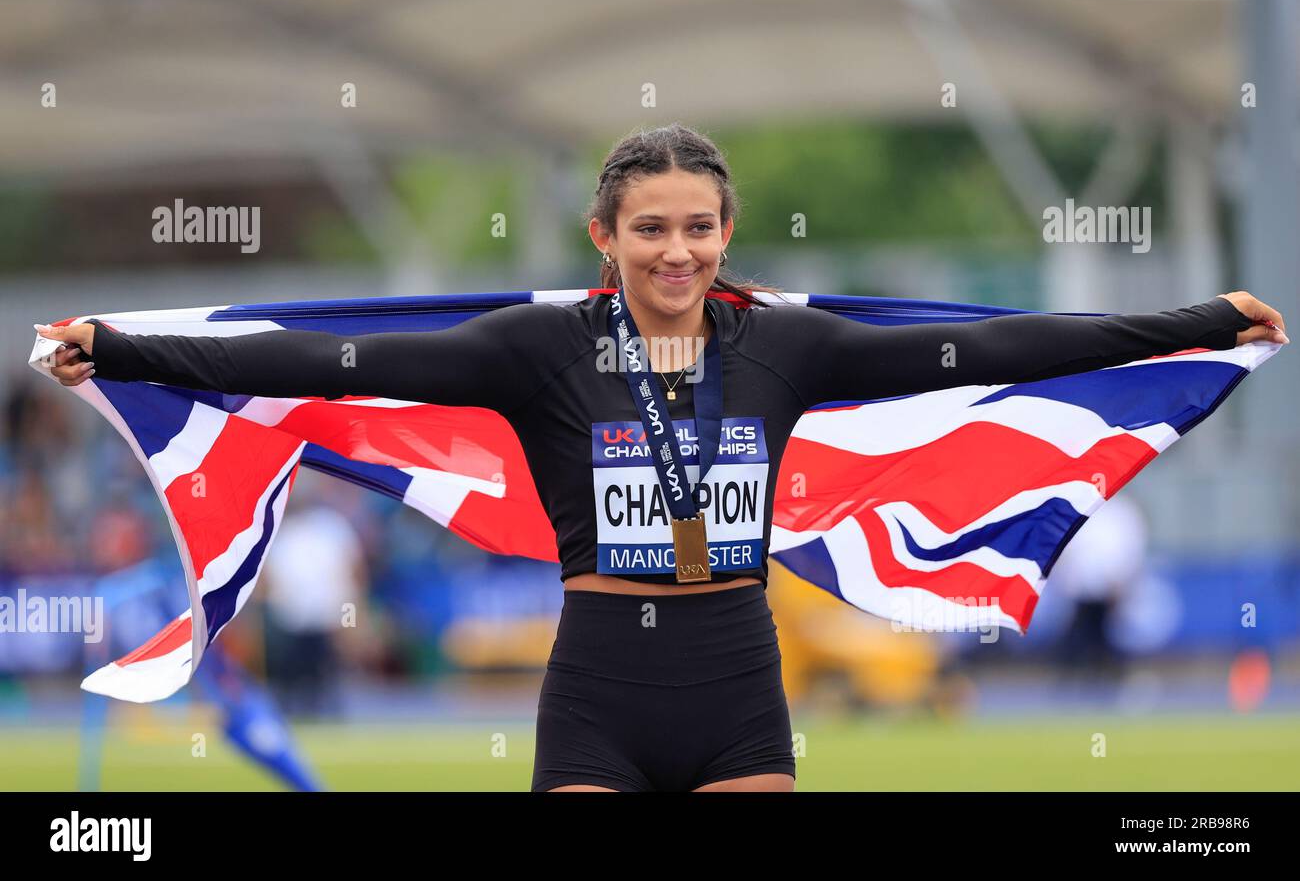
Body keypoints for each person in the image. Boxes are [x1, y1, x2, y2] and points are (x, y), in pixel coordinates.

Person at [38, 123, 1285, 792]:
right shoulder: (533, 349)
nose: (676, 249)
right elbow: (333, 362)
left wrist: (1196, 323)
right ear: (605, 233)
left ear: (727, 230)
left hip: (737, 672)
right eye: (650, 228)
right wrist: (125, 349)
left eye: (698, 226)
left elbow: (999, 343)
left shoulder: (789, 347)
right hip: (599, 683)